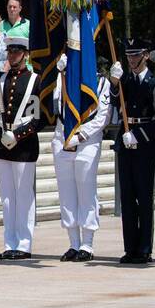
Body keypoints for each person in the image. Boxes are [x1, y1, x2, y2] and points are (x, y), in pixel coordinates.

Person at [0, 36, 43, 259]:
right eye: (10, 52)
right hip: (1, 145)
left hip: (23, 146)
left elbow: (38, 118)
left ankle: (24, 244)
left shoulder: (35, 80)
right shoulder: (0, 80)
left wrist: (17, 135)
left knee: (24, 196)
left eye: (17, 52)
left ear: (25, 54)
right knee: (7, 198)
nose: (12, 56)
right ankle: (10, 242)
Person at [50, 53, 111, 261]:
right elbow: (55, 105)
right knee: (66, 193)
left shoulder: (100, 81)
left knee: (86, 190)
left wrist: (81, 134)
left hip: (87, 139)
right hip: (63, 137)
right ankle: (73, 243)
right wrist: (59, 74)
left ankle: (87, 243)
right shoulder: (63, 77)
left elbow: (103, 116)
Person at [109, 38, 155, 264]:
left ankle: (144, 248)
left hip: (144, 143)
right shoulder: (124, 81)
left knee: (144, 196)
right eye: (129, 56)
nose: (132, 60)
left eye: (136, 55)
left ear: (146, 56)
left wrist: (139, 136)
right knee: (128, 198)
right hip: (125, 138)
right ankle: (130, 247)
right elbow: (115, 104)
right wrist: (114, 84)